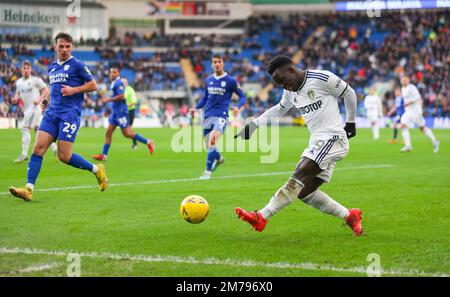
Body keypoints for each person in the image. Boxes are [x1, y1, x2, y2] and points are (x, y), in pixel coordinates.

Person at [234, 55, 363, 236]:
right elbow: (280, 108)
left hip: (333, 137)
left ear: (291, 70)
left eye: (282, 80)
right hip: (318, 140)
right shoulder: (291, 91)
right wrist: (255, 124)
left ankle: (261, 216)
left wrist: (350, 123)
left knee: (299, 174)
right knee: (305, 192)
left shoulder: (321, 78)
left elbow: (348, 92)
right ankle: (350, 216)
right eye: (278, 83)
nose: (282, 85)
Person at [9, 32, 108, 201]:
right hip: (52, 113)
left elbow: (93, 85)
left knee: (64, 156)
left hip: (69, 115)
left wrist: (74, 90)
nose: (64, 49)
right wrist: (47, 101)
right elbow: (54, 87)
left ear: (71, 47)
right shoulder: (52, 66)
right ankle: (28, 189)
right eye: (61, 46)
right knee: (38, 148)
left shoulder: (77, 64)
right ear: (55, 47)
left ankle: (96, 169)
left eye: (67, 46)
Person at [190, 54, 246, 180]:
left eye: (219, 61)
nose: (217, 64)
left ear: (223, 63)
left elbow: (243, 96)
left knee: (212, 140)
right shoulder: (208, 80)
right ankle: (219, 158)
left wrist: (238, 106)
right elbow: (205, 97)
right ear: (211, 64)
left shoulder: (231, 80)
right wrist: (196, 108)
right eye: (214, 62)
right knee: (209, 146)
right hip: (207, 115)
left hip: (221, 115)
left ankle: (207, 172)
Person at [92, 66, 155, 161]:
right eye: (111, 72)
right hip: (115, 112)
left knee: (127, 134)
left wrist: (108, 99)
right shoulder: (113, 83)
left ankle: (148, 142)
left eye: (114, 72)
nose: (112, 74)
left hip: (121, 112)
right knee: (108, 132)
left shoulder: (119, 83)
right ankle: (104, 155)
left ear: (118, 74)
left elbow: (121, 96)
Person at [13, 60, 57, 163]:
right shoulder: (18, 82)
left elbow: (46, 90)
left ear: (31, 69)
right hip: (27, 109)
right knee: (39, 130)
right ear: (21, 70)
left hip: (35, 108)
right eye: (24, 68)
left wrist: (40, 99)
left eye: (28, 68)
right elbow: (17, 93)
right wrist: (15, 98)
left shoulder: (35, 80)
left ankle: (24, 154)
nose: (26, 70)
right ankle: (54, 148)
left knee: (25, 128)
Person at [399, 76, 439, 153]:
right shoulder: (402, 89)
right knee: (403, 124)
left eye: (405, 80)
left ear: (408, 80)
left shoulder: (412, 88)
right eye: (403, 80)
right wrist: (406, 104)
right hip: (408, 111)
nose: (404, 81)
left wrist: (409, 102)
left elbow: (418, 97)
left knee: (422, 128)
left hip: (416, 111)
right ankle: (408, 146)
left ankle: (435, 141)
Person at [122, 78, 138, 149]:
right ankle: (136, 143)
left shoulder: (130, 90)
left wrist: (126, 106)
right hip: (124, 111)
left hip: (130, 111)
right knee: (127, 129)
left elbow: (134, 101)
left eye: (123, 82)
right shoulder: (122, 90)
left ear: (126, 83)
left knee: (129, 129)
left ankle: (135, 143)